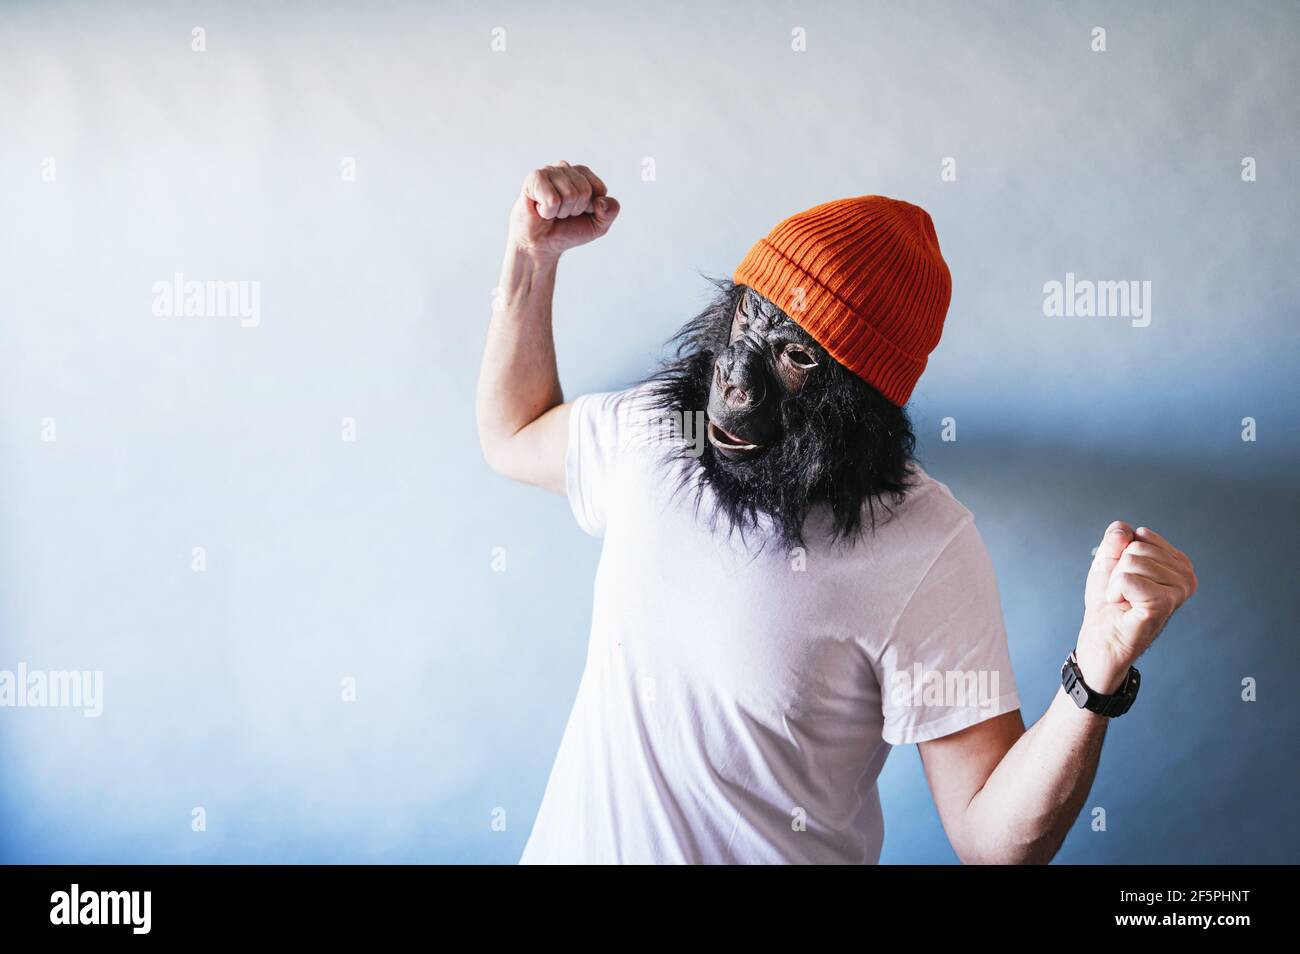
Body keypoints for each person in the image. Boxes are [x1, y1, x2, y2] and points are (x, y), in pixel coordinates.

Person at [476, 161, 1198, 864]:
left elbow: (993, 841)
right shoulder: (658, 431)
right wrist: (530, 258)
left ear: (859, 406)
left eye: (794, 355)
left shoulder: (924, 542)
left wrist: (1096, 672)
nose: (734, 382)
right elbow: (513, 436)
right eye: (746, 324)